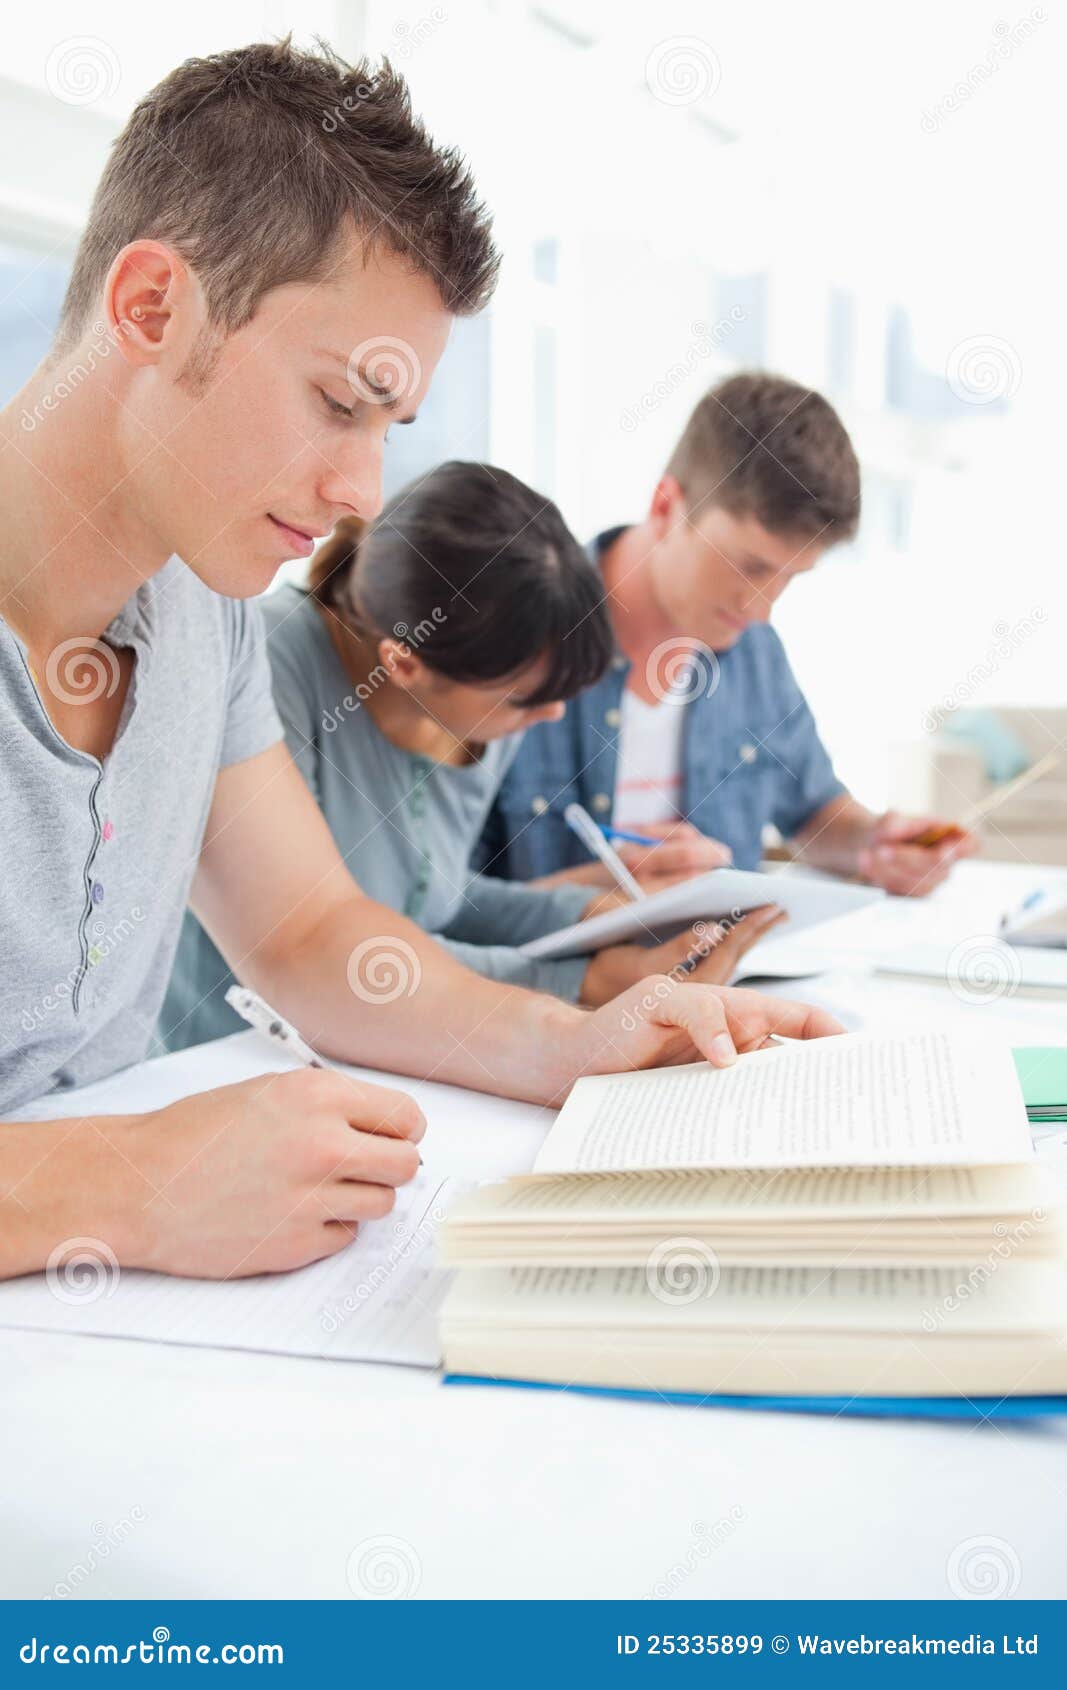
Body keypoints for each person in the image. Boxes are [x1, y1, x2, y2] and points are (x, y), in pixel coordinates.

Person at [0, 42, 840, 1284]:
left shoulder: (204, 613)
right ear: (150, 307)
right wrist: (127, 1182)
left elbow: (303, 928)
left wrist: (571, 1044)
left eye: (388, 428)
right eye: (339, 402)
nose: (359, 495)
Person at [162, 464, 784, 1050]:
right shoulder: (267, 672)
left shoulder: (487, 701)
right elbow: (338, 948)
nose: (552, 717)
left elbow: (440, 900)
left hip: (371, 1054)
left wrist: (608, 914)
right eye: (522, 701)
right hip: (225, 1060)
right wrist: (586, 981)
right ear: (404, 664)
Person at [479, 372, 979, 900]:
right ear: (666, 506)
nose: (761, 608)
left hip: (725, 976)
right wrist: (593, 892)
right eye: (751, 567)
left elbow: (812, 810)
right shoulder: (514, 635)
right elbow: (440, 905)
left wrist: (874, 844)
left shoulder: (755, 653)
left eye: (791, 578)